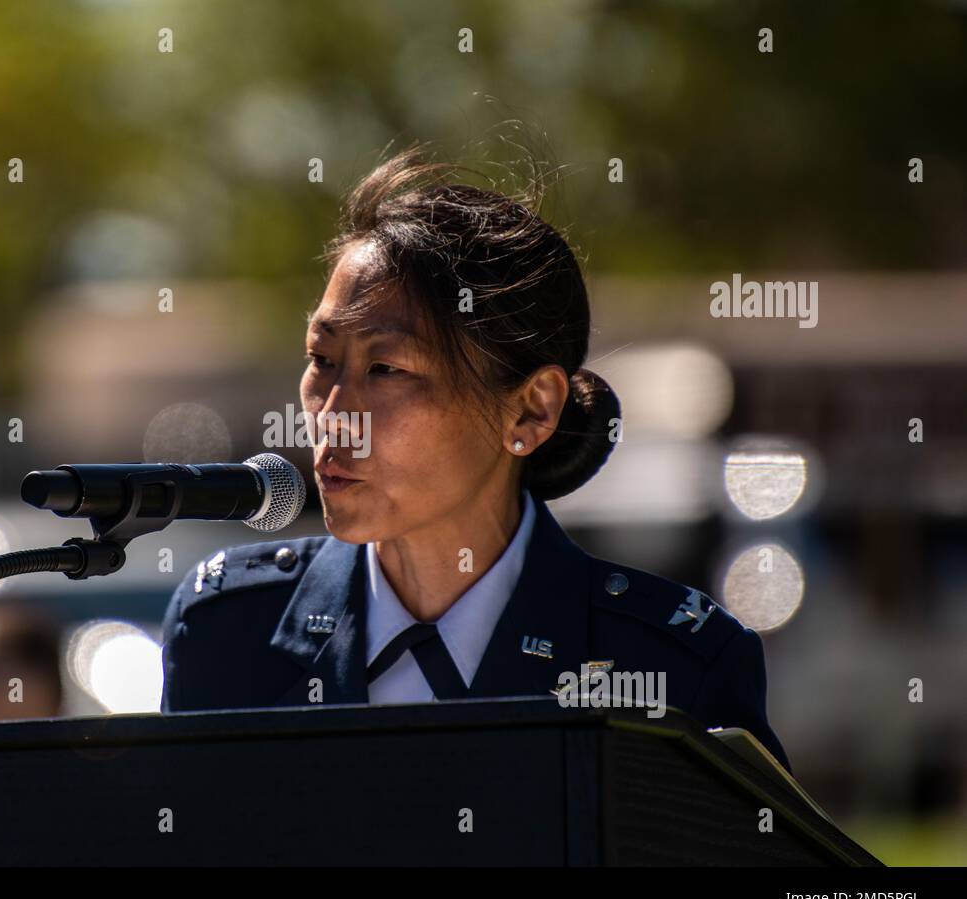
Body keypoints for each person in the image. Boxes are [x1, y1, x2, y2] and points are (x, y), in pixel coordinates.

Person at [159, 144, 791, 773]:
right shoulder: (225, 633)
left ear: (531, 410)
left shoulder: (670, 670)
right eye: (322, 359)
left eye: (386, 369)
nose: (333, 412)